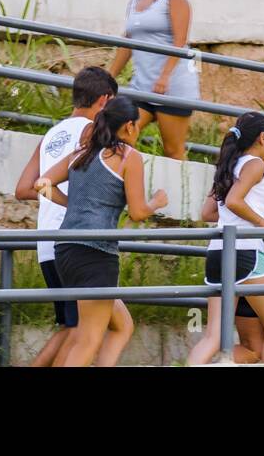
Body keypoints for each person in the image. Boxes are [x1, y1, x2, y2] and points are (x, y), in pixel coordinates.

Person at [35, 96, 168, 368]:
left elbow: (41, 183)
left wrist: (70, 203)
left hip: (66, 251)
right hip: (97, 254)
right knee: (88, 340)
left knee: (122, 325)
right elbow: (138, 212)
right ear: (130, 126)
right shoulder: (129, 157)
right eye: (139, 126)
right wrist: (157, 202)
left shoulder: (81, 153)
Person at [14, 67, 130, 368]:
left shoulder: (52, 133)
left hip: (48, 246)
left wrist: (66, 202)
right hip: (79, 241)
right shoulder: (93, 132)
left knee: (76, 327)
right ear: (105, 100)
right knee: (79, 330)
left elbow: (24, 188)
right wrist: (76, 205)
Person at [186, 113, 264, 364]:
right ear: (262, 138)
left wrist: (236, 218)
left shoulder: (227, 165)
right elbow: (233, 201)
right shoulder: (255, 164)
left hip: (217, 252)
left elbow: (208, 212)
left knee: (214, 336)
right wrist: (263, 223)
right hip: (245, 252)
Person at [108, 0, 198, 161]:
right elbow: (127, 42)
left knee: (173, 151)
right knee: (118, 137)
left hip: (172, 87)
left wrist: (165, 76)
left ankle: (185, 195)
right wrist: (108, 77)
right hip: (142, 87)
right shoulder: (134, 1)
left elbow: (180, 41)